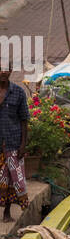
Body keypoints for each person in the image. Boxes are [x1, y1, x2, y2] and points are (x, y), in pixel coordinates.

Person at [0, 69, 30, 219]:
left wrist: (23, 145)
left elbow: (24, 120)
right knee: (2, 179)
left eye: (6, 69)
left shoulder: (18, 92)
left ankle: (7, 212)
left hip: (13, 143)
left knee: (14, 179)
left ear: (11, 71)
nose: (3, 72)